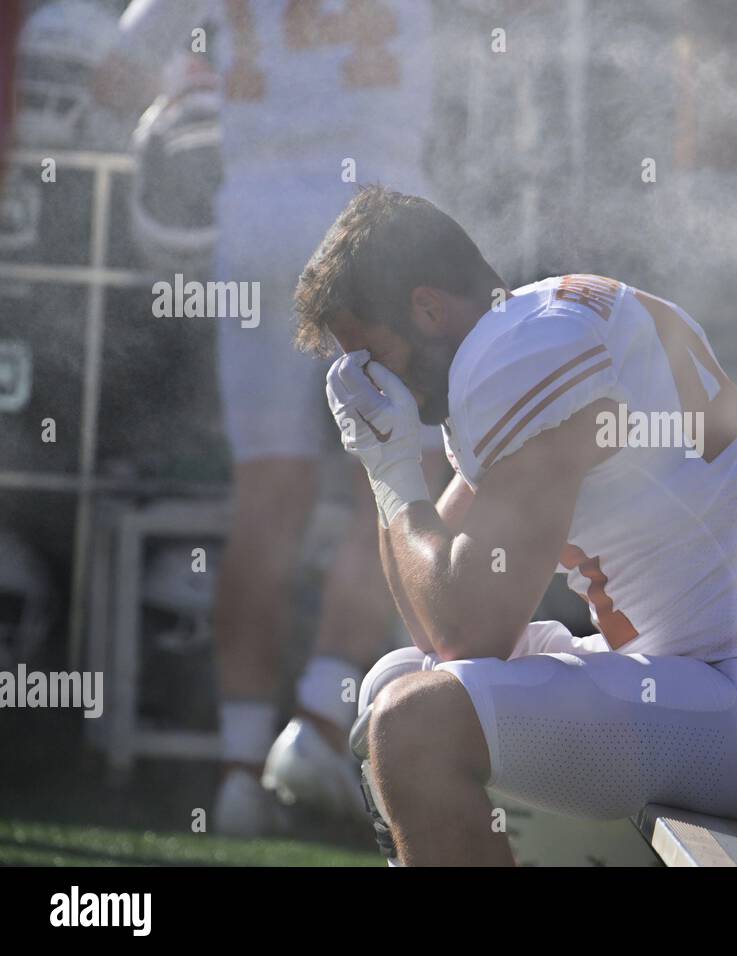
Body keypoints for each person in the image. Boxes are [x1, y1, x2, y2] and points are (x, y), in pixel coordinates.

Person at [294, 185, 737, 865]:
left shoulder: (509, 357)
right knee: (393, 681)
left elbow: (466, 630)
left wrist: (388, 468)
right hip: (727, 678)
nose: (372, 385)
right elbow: (433, 623)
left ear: (426, 307)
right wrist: (386, 467)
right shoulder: (538, 323)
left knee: (416, 726)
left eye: (372, 357)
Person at [104, 0, 439, 834]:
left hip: (256, 214)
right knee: (394, 488)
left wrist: (201, 90)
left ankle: (239, 773)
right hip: (377, 218)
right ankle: (319, 725)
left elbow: (114, 67)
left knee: (267, 496)